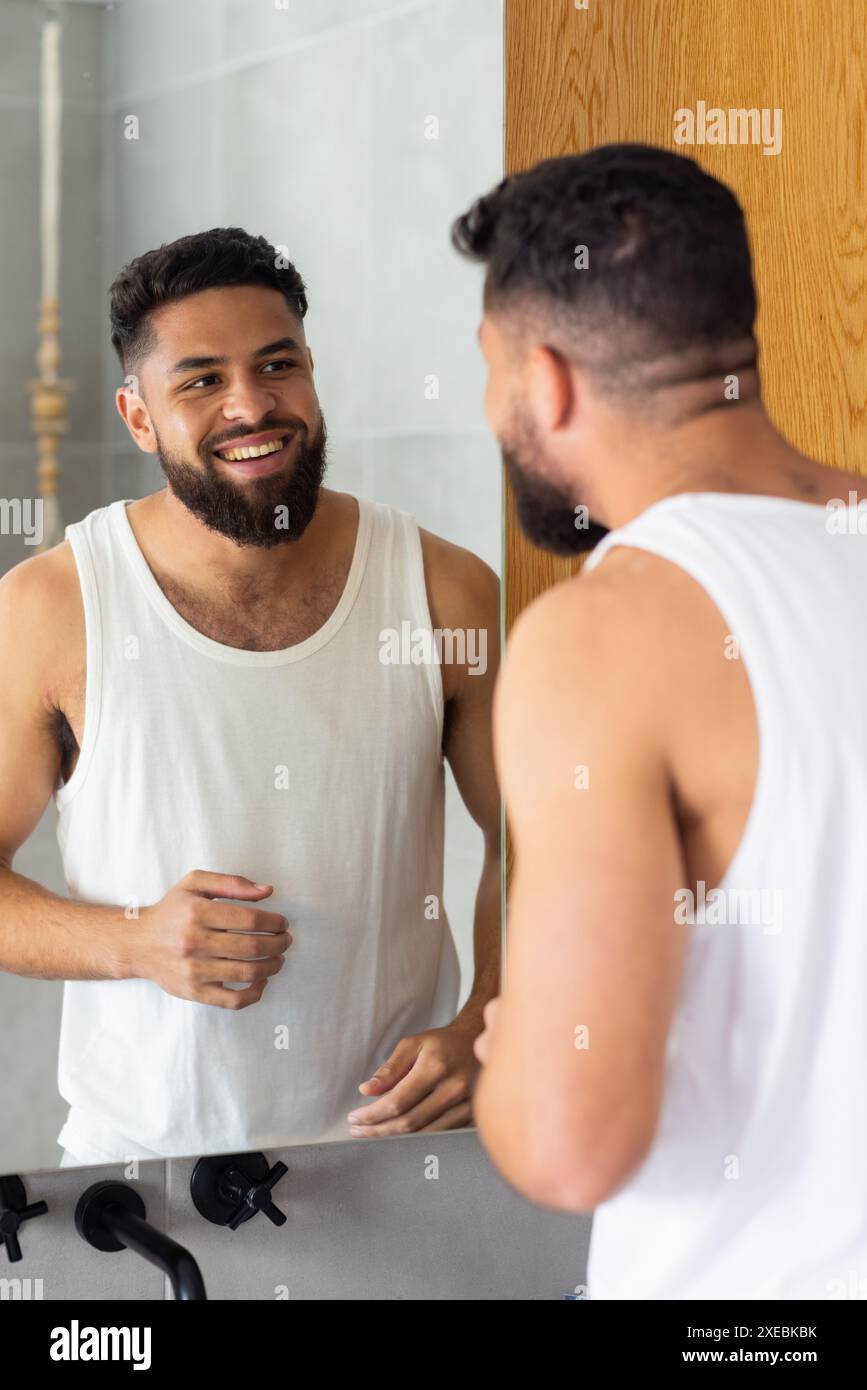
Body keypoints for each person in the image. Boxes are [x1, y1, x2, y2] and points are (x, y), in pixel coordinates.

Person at [456, 143, 867, 1299]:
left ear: (545, 377)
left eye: (488, 372)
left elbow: (571, 1143)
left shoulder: (606, 635)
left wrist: (519, 1058)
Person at [0, 227, 501, 1164]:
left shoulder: (444, 591)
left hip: (404, 1164)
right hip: (150, 1180)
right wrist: (134, 942)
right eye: (199, 381)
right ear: (139, 417)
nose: (251, 405)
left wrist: (485, 1022)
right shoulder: (51, 608)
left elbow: (538, 838)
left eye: (279, 365)